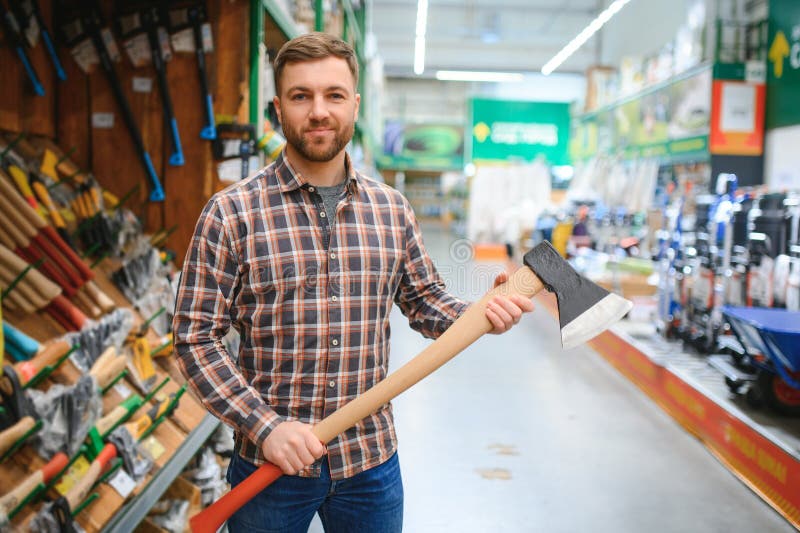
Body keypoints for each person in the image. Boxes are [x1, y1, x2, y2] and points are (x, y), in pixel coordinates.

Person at [173, 32, 534, 533]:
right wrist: (265, 427)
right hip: (269, 467)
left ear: (355, 104)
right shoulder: (231, 214)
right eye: (301, 96)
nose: (318, 111)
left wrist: (482, 314)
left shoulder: (391, 209)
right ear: (278, 108)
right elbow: (194, 338)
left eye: (334, 95)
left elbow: (426, 301)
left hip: (370, 465)